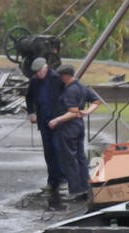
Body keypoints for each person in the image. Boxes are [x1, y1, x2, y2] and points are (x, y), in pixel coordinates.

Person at [47, 65, 101, 201]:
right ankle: (85, 186)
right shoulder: (82, 87)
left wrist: (56, 120)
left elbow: (72, 112)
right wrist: (87, 112)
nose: (60, 79)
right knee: (80, 156)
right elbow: (96, 101)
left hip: (68, 127)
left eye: (61, 76)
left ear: (66, 76)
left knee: (70, 159)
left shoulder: (70, 90)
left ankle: (76, 190)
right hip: (79, 126)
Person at [25, 58, 67, 193]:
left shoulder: (57, 79)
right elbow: (29, 97)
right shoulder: (34, 81)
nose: (38, 74)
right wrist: (31, 112)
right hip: (43, 121)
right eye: (36, 72)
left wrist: (63, 116)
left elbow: (66, 96)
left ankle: (63, 180)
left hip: (56, 120)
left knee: (57, 149)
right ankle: (52, 181)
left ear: (46, 68)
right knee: (48, 152)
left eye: (40, 71)